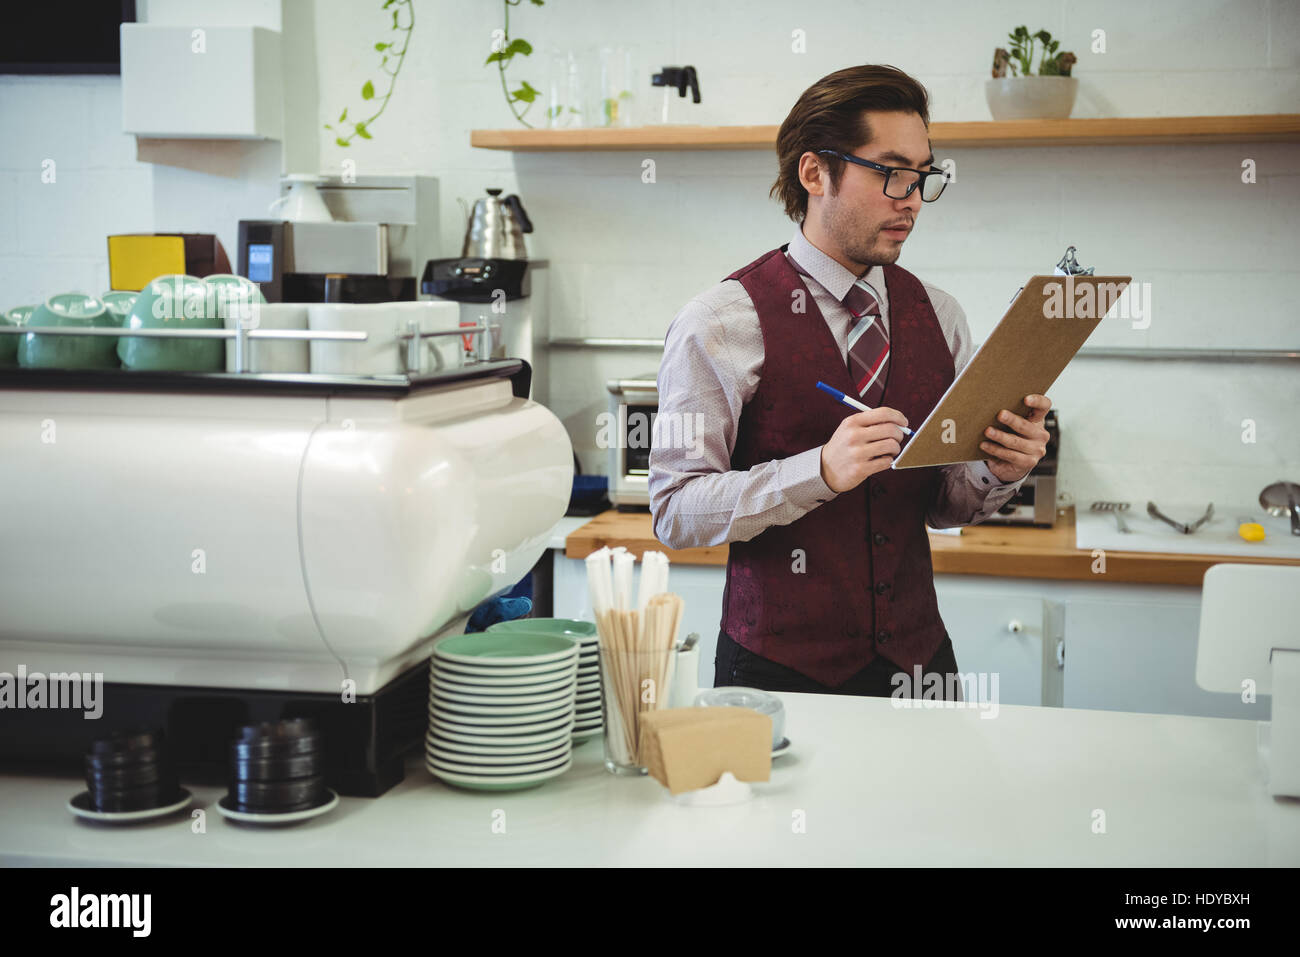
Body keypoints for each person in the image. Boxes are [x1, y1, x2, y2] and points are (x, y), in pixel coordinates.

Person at [648, 64, 1051, 699]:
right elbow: (675, 513)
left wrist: (998, 471)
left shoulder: (940, 316)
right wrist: (821, 471)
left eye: (923, 175)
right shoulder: (719, 323)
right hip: (777, 672)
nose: (912, 198)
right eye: (891, 172)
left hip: (921, 663)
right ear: (815, 173)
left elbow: (942, 505)